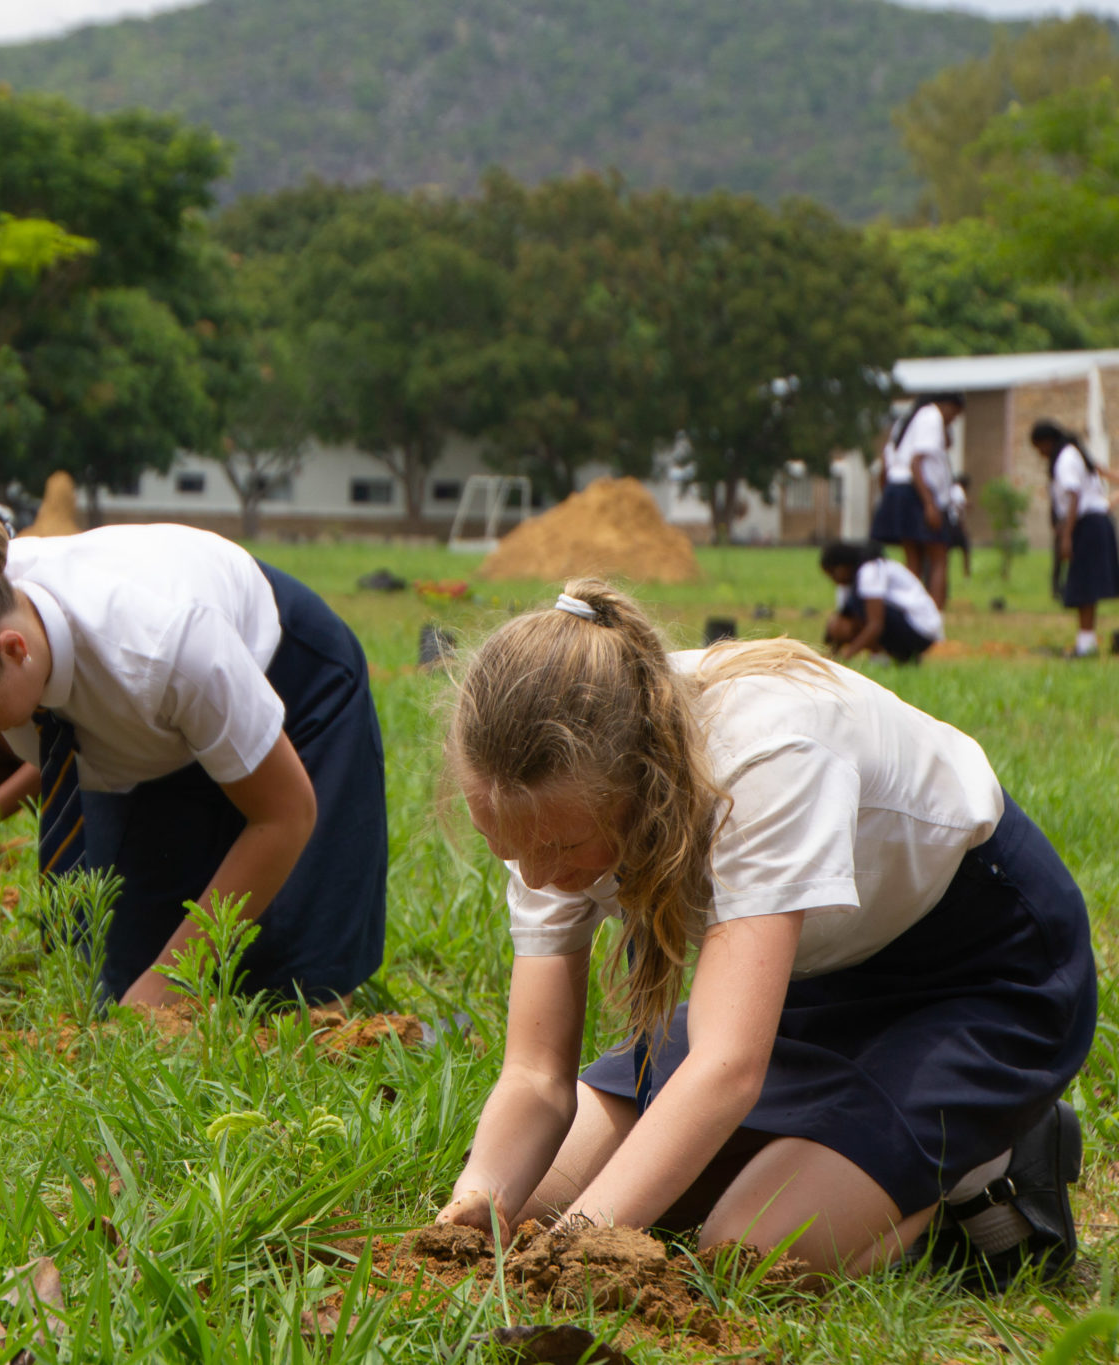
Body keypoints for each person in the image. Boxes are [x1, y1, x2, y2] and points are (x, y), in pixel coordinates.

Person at [433, 582, 1094, 1287]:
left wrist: (575, 1250)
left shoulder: (765, 755)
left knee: (748, 1249)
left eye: (561, 847)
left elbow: (725, 1068)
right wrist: (478, 1200)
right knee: (535, 1199)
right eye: (503, 842)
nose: (534, 875)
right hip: (796, 978)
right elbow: (535, 1072)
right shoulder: (537, 796)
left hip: (974, 972)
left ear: (636, 789)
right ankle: (838, 1152)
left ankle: (985, 1160)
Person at [0, 512, 387, 1012]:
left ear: (14, 651)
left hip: (293, 688)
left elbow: (284, 815)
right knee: (117, 983)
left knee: (288, 983)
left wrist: (167, 982)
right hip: (151, 741)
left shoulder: (165, 644)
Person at [1032, 419, 1118, 659]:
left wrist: (1067, 535)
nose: (1040, 454)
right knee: (1085, 585)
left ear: (1046, 443)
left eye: (1039, 448)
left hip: (1087, 524)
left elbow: (1074, 495)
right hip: (1091, 523)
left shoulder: (1065, 458)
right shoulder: (1073, 454)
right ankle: (1086, 642)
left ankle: (1086, 645)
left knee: (1085, 585)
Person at [870, 393, 962, 609]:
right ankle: (934, 613)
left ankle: (909, 609)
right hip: (917, 491)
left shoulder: (906, 422)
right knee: (939, 555)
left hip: (897, 488)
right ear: (947, 405)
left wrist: (888, 497)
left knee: (913, 558)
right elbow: (916, 462)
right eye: (955, 415)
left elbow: (885, 466)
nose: (952, 420)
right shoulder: (931, 417)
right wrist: (930, 504)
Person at [819, 541, 943, 665]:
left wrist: (847, 656)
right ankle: (902, 657)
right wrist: (830, 657)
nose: (834, 581)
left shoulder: (869, 570)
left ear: (842, 567)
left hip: (920, 630)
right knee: (839, 623)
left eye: (833, 574)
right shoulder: (856, 579)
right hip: (911, 625)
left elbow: (875, 625)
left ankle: (886, 656)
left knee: (858, 616)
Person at [946, 475, 972, 581]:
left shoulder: (952, 489)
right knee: (966, 548)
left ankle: (945, 573)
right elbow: (959, 507)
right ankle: (967, 575)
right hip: (955, 523)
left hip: (948, 522)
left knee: (946, 549)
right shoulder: (959, 490)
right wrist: (963, 526)